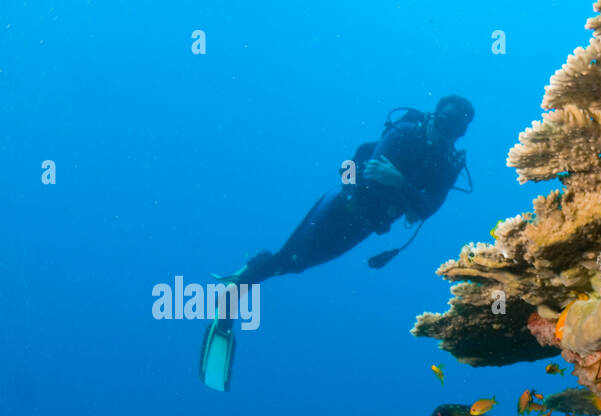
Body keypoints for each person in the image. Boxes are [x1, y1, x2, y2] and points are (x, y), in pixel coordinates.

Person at [200, 96, 474, 391]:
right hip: (342, 206)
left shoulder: (447, 164)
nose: (446, 134)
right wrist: (408, 195)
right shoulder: (404, 133)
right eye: (445, 123)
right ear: (434, 116)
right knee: (291, 260)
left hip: (365, 226)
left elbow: (426, 211)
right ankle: (240, 285)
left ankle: (246, 277)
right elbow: (370, 181)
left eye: (456, 130)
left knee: (296, 266)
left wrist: (400, 183)